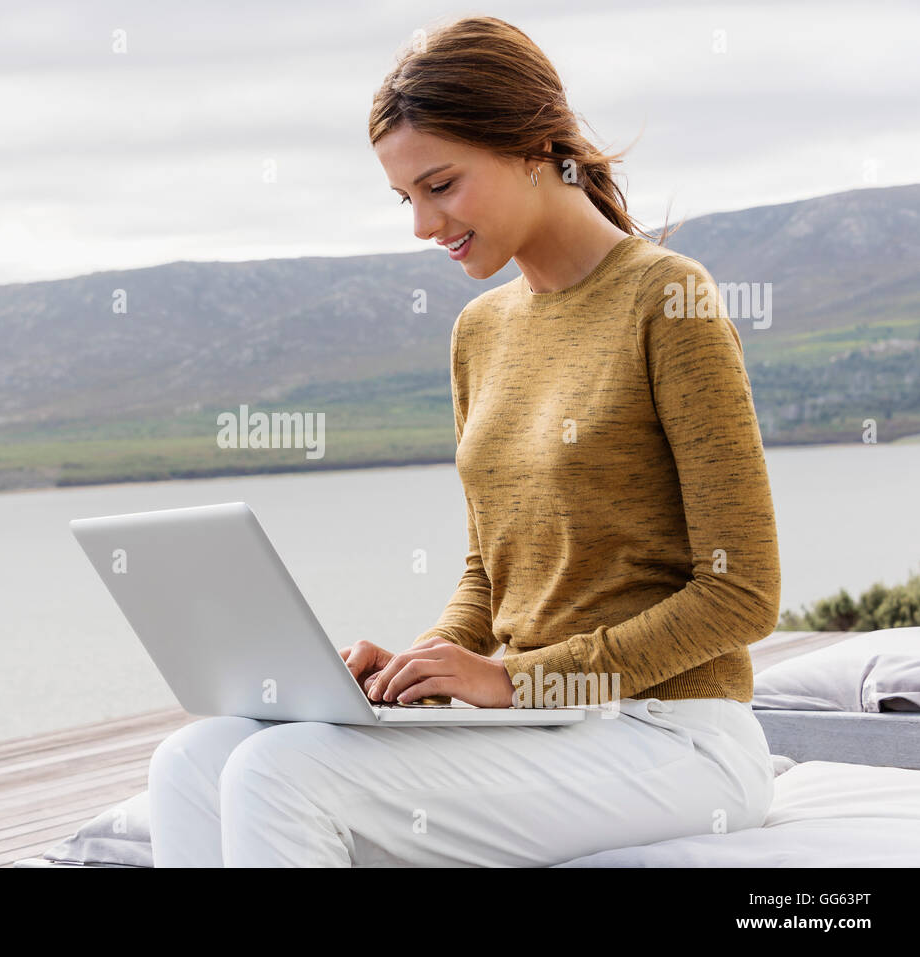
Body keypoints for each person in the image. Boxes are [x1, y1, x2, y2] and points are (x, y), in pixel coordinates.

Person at [148, 15, 780, 867]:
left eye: (441, 185)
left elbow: (743, 595)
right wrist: (423, 666)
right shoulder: (480, 330)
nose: (422, 226)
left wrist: (519, 681)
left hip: (674, 735)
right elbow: (490, 571)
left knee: (279, 773)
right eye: (406, 197)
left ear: (533, 146)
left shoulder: (670, 301)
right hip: (541, 721)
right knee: (193, 757)